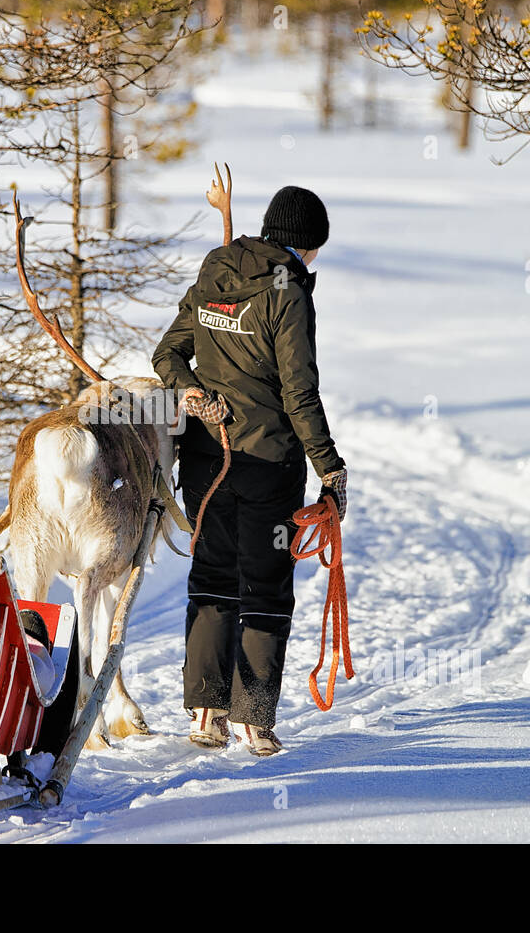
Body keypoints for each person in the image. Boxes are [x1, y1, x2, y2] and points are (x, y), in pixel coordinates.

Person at [152, 185, 347, 756]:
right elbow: (299, 393)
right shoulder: (290, 293)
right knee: (264, 584)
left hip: (206, 462)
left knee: (212, 575)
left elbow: (167, 354)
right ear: (305, 247)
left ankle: (206, 714)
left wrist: (190, 394)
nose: (313, 263)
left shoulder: (217, 267)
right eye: (314, 252)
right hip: (268, 464)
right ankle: (255, 721)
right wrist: (330, 471)